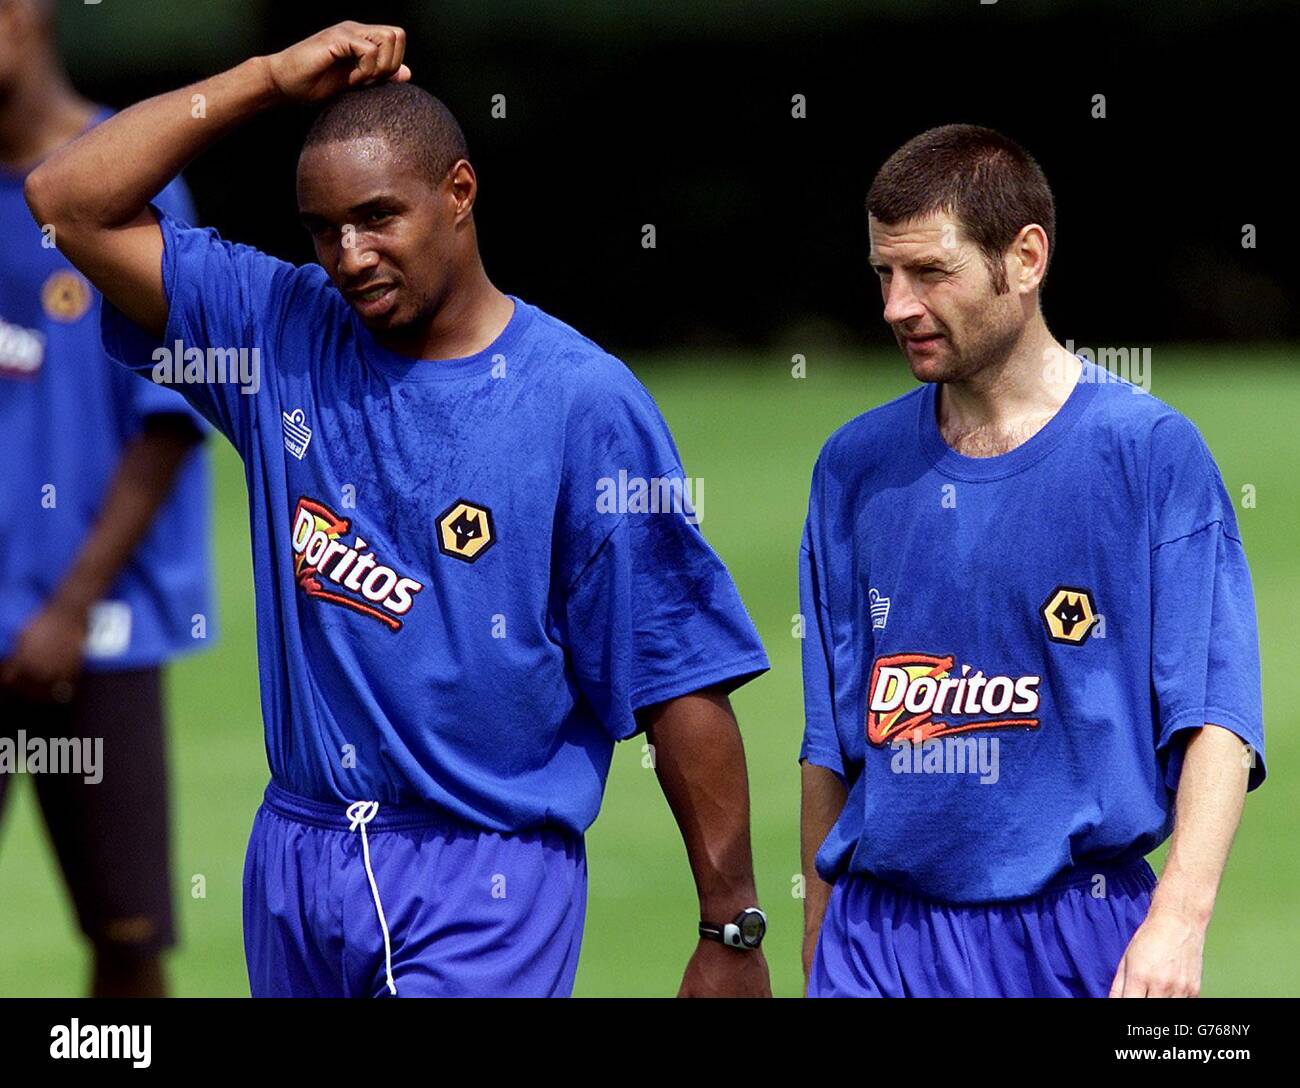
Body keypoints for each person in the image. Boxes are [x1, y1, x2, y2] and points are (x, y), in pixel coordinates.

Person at [25, 20, 772, 997]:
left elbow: (680, 675)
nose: (350, 253)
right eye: (323, 228)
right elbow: (66, 199)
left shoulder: (578, 402)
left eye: (379, 217)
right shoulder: (274, 334)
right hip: (296, 858)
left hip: (482, 875)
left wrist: (731, 926)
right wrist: (263, 79)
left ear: (458, 194)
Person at [798, 123, 1265, 998]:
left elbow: (1216, 718)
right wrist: (819, 925)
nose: (896, 304)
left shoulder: (1150, 455)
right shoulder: (853, 468)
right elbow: (829, 738)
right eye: (884, 274)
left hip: (1079, 933)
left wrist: (1178, 921)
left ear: (1025, 257)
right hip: (878, 936)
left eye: (930, 272)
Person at [0, 0, 212, 997]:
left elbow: (166, 415)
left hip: (98, 630)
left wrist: (71, 604)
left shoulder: (128, 167)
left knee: (127, 937)